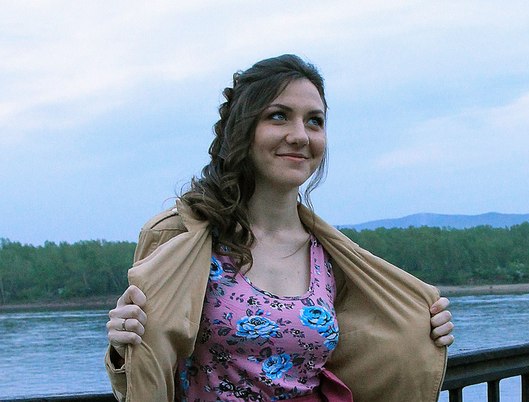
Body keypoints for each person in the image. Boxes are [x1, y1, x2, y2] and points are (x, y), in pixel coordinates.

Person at [105, 54, 454, 402]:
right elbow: (143, 373)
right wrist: (123, 345)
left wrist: (422, 328)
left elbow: (377, 345)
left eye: (314, 121)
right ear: (243, 130)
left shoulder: (330, 257)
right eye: (279, 116)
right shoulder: (178, 238)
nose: (300, 135)